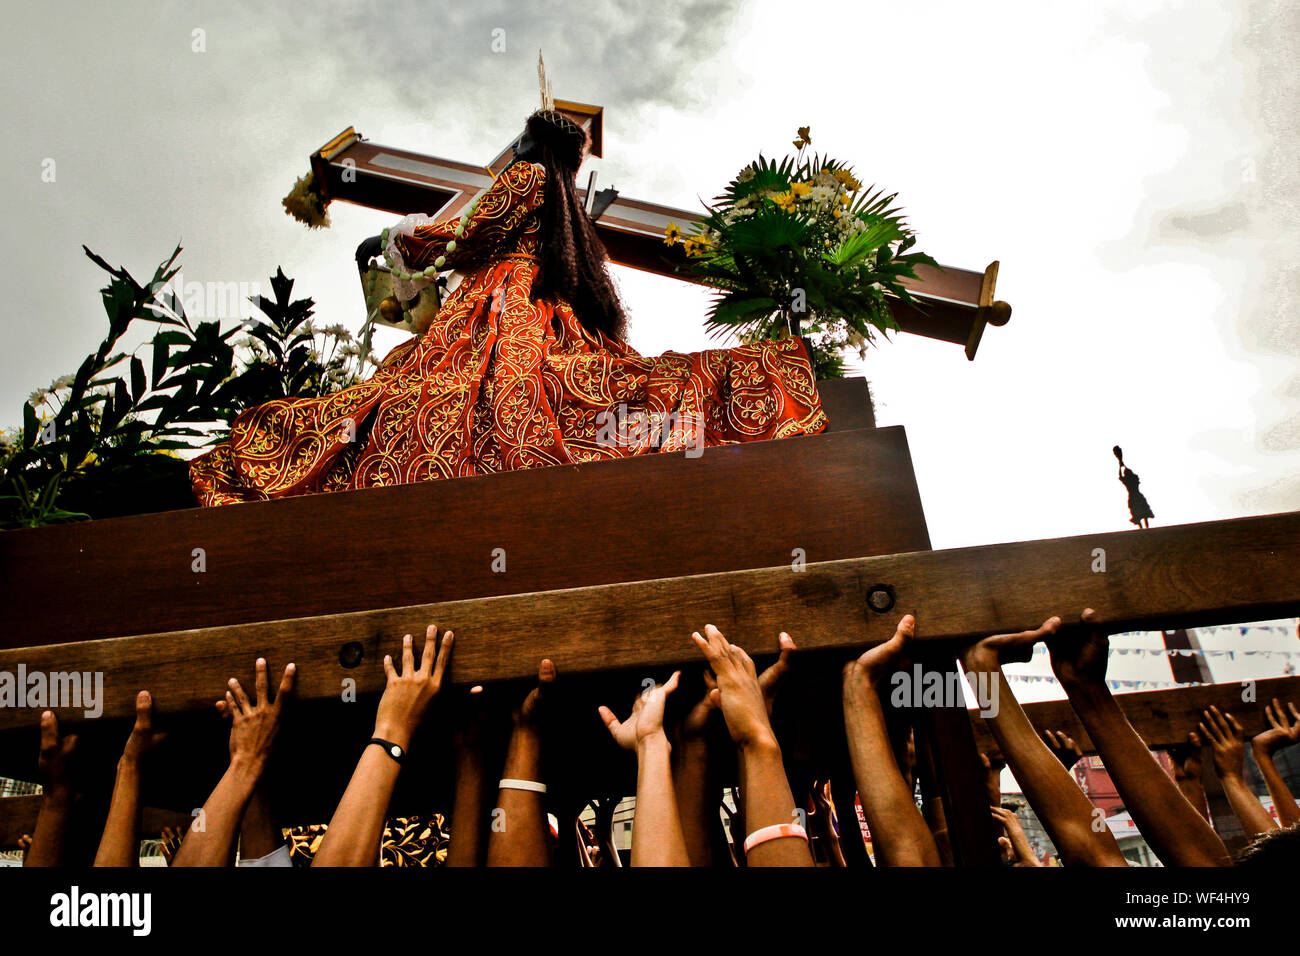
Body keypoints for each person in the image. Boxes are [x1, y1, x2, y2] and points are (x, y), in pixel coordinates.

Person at [191, 109, 826, 506]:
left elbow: (475, 234)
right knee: (578, 386)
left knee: (468, 389)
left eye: (521, 137)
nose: (515, 147)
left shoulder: (526, 179)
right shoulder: (569, 210)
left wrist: (404, 237)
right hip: (544, 305)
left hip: (502, 301)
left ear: (530, 142)